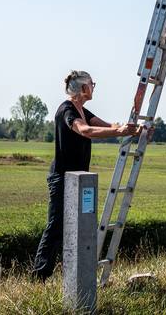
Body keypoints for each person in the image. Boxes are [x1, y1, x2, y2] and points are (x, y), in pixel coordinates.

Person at [31, 70, 142, 280]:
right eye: (92, 84)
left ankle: (71, 274)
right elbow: (86, 131)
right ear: (84, 88)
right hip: (62, 178)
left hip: (80, 178)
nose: (93, 87)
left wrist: (133, 129)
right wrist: (120, 132)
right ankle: (39, 277)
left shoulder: (83, 110)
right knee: (56, 227)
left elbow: (108, 125)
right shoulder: (67, 110)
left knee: (79, 225)